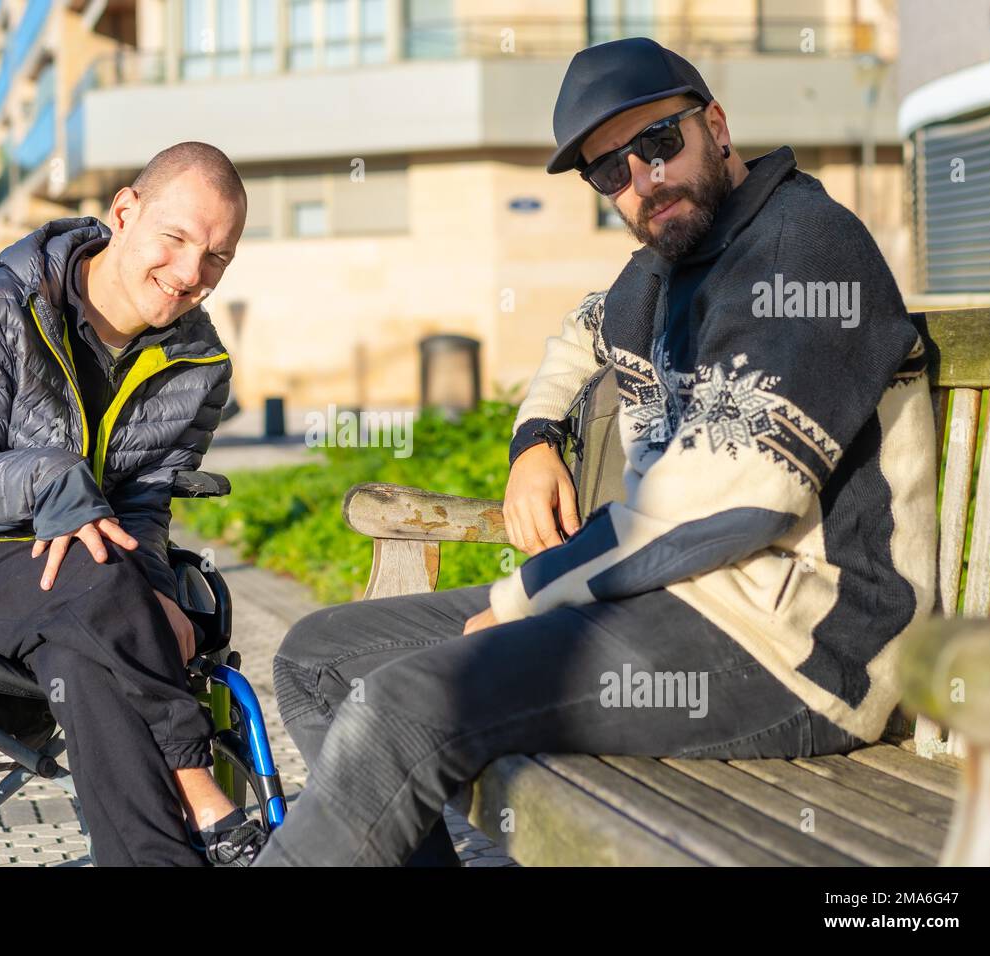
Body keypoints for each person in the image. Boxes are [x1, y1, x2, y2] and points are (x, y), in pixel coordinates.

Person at [256, 37, 937, 866]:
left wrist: (518, 602)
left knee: (409, 700)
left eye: (659, 144)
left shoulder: (803, 250)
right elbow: (578, 338)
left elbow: (733, 501)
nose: (643, 181)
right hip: (671, 599)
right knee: (319, 658)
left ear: (716, 126)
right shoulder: (662, 267)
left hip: (798, 646)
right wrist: (536, 439)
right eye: (609, 171)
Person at [0, 142, 267, 866]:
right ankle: (197, 781)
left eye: (217, 258)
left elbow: (143, 506)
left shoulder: (199, 367)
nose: (190, 276)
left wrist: (151, 589)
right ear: (124, 211)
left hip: (85, 591)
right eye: (175, 239)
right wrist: (58, 484)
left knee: (89, 649)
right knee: (96, 574)